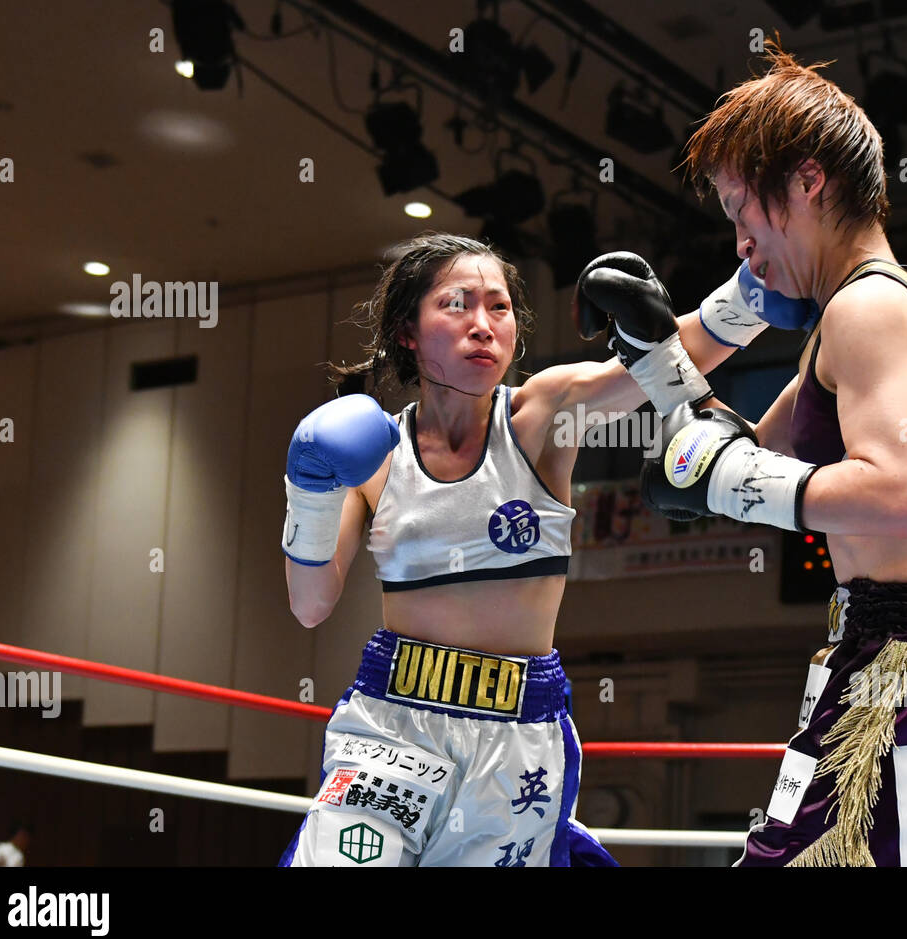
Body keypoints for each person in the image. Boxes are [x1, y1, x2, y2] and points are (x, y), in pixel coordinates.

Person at [574, 44, 907, 866]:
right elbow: (737, 456)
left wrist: (727, 478)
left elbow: (894, 495)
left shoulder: (870, 307)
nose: (742, 246)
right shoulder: (851, 314)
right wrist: (657, 361)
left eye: (744, 211)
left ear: (808, 183)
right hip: (891, 648)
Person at [277, 232, 727, 867]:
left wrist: (758, 293)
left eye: (499, 307)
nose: (483, 325)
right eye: (458, 304)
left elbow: (666, 364)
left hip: (517, 731)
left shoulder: (541, 417)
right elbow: (310, 604)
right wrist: (309, 492)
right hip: (392, 719)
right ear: (409, 331)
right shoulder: (376, 457)